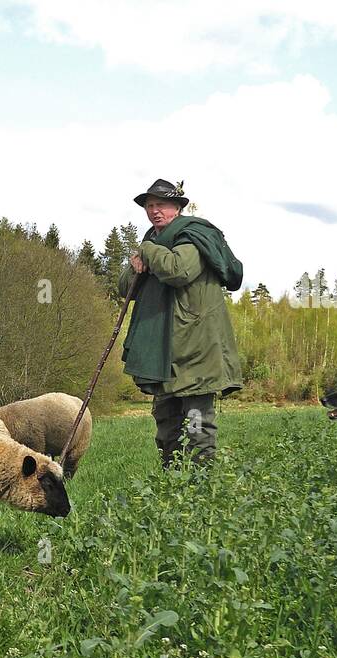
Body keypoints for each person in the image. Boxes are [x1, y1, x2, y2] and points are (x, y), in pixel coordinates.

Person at [117, 179, 243, 468]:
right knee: (167, 424)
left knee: (197, 425)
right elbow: (125, 289)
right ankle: (171, 482)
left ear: (177, 207)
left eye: (161, 204)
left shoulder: (193, 238)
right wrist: (136, 265)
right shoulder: (153, 243)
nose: (154, 210)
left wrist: (147, 250)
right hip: (164, 355)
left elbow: (177, 270)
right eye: (149, 205)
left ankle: (201, 484)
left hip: (197, 352)